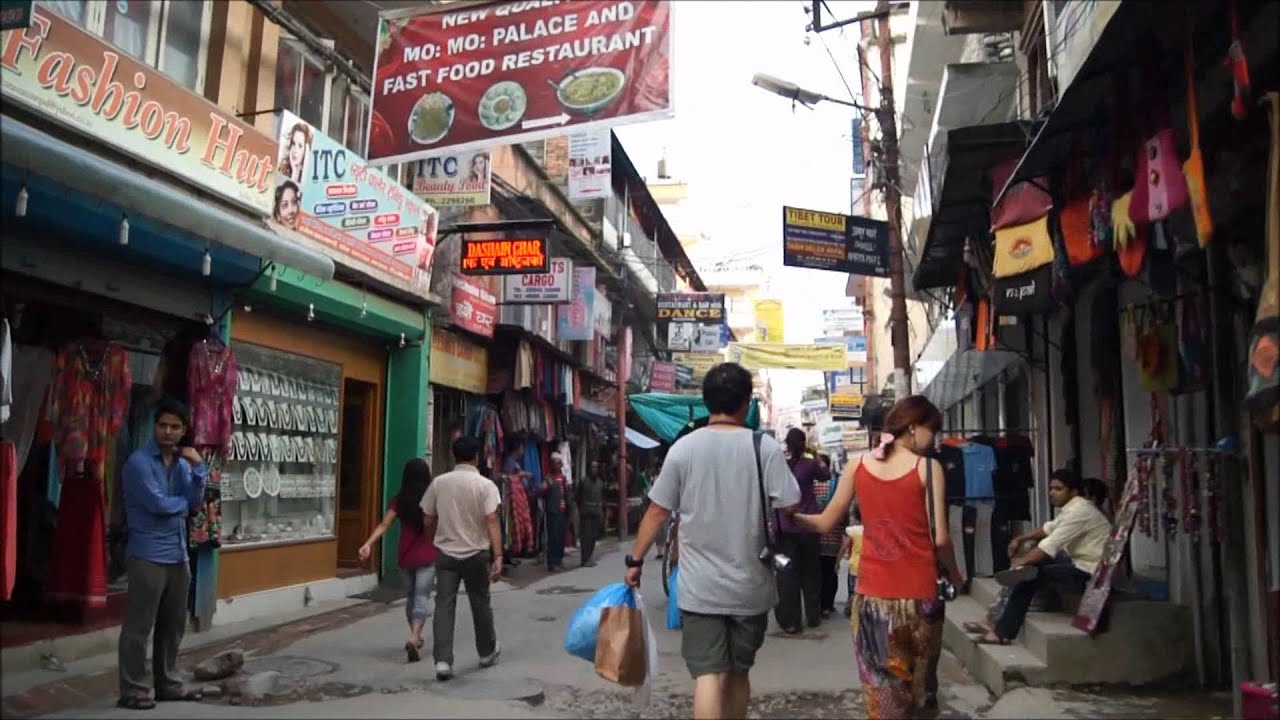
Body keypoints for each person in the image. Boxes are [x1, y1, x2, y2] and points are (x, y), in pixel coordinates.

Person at [624, 362, 801, 720]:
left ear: (706, 402)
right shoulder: (762, 447)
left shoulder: (684, 449)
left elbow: (657, 512)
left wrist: (636, 561)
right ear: (745, 403)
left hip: (700, 588)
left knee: (708, 675)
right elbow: (791, 501)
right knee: (738, 673)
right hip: (750, 585)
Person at [791, 395, 962, 720]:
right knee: (921, 694)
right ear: (912, 428)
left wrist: (792, 515)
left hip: (873, 602)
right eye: (932, 430)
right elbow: (940, 538)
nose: (934, 439)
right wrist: (955, 576)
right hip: (921, 599)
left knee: (884, 696)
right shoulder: (928, 467)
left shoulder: (858, 466)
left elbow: (825, 522)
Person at [116, 399, 207, 710]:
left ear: (183, 431)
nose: (168, 432)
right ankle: (133, 690)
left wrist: (198, 467)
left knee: (173, 625)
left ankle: (167, 683)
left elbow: (195, 501)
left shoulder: (182, 465)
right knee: (139, 626)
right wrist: (183, 506)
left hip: (178, 554)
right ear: (154, 426)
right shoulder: (138, 463)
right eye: (163, 425)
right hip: (147, 554)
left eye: (175, 427)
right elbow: (157, 504)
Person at [968, 469, 1111, 646]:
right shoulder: (1073, 508)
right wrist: (1021, 538)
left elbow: (1049, 546)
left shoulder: (1079, 512)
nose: (1052, 493)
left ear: (1073, 492)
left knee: (1029, 576)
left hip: (1091, 570)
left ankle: (1002, 632)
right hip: (1079, 562)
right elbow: (1047, 529)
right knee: (1032, 563)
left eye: (1058, 489)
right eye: (1051, 488)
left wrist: (1020, 562)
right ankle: (997, 617)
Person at [421, 436, 503, 681]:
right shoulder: (485, 486)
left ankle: (443, 661)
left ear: (453, 455)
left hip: (445, 554)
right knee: (480, 603)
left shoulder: (439, 483)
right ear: (475, 456)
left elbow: (427, 517)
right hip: (476, 554)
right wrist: (498, 555)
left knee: (444, 606)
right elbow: (491, 520)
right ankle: (487, 652)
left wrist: (431, 540)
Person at [358, 458, 438, 663]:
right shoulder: (431, 499)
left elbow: (385, 524)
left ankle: (415, 635)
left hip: (405, 556)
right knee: (422, 597)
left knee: (411, 597)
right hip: (427, 555)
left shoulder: (399, 500)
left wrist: (368, 543)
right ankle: (414, 636)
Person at [775, 428, 825, 632]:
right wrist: (814, 454)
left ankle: (791, 621)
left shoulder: (782, 467)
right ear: (803, 444)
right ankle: (813, 616)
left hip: (785, 529)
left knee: (787, 574)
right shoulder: (811, 465)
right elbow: (826, 475)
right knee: (811, 573)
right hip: (808, 528)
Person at [814, 453, 845, 619]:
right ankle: (827, 605)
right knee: (831, 571)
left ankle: (819, 605)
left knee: (817, 572)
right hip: (834, 534)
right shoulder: (837, 484)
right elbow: (844, 510)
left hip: (815, 536)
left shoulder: (810, 484)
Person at [541, 453, 572, 572]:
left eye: (559, 463)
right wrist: (544, 487)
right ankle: (551, 562)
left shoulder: (563, 478)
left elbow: (566, 494)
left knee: (560, 537)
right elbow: (541, 492)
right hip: (552, 512)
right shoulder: (548, 478)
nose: (558, 465)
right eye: (556, 463)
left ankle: (559, 559)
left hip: (563, 512)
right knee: (552, 537)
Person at [575, 460, 605, 567]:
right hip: (586, 513)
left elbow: (602, 498)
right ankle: (584, 559)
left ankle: (590, 557)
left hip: (596, 512)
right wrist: (581, 508)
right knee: (586, 537)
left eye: (596, 467)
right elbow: (577, 497)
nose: (594, 470)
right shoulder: (583, 481)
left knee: (593, 537)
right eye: (592, 467)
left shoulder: (600, 483)